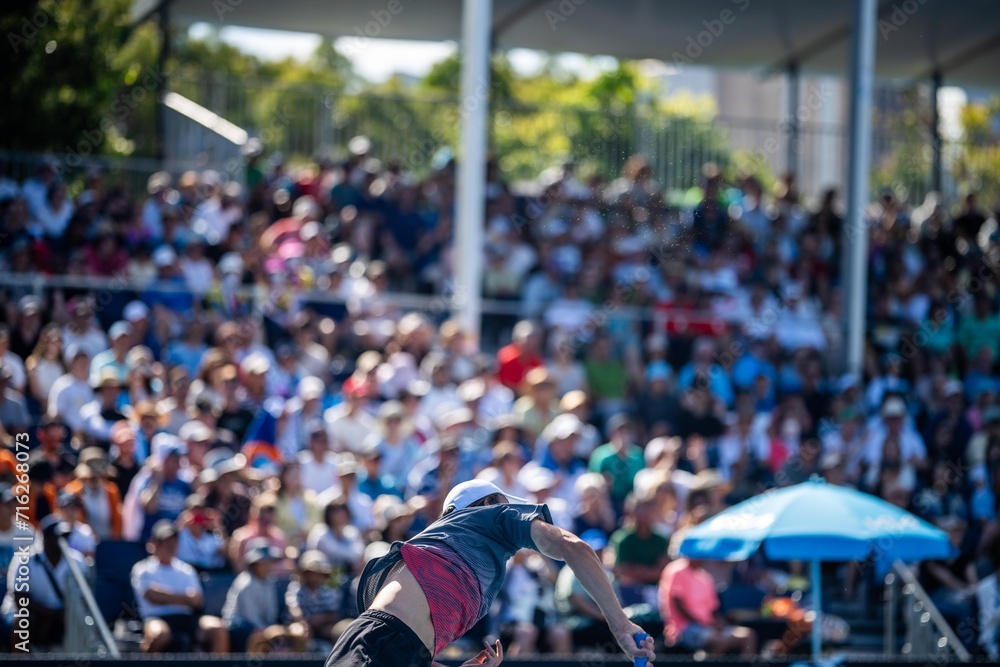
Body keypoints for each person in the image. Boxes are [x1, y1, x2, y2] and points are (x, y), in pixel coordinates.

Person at [324, 479, 655, 667]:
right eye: (502, 503)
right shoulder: (491, 520)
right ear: (487, 505)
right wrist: (621, 624)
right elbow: (575, 548)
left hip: (391, 649)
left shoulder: (460, 554)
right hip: (375, 644)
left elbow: (409, 651)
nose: (509, 509)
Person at [130, 519, 229, 653]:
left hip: (187, 619)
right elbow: (152, 596)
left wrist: (164, 595)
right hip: (156, 618)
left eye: (174, 541)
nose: (171, 546)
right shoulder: (142, 569)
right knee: (160, 635)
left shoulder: (186, 569)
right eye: (166, 542)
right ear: (155, 543)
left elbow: (197, 601)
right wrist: (185, 598)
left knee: (218, 629)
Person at [2, 515, 88, 650]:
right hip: (30, 612)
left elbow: (83, 599)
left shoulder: (78, 562)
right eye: (58, 537)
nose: (62, 542)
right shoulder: (25, 560)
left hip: (62, 614)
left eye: (65, 537)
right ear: (45, 539)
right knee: (24, 620)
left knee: (81, 622)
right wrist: (52, 613)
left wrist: (66, 615)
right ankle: (19, 662)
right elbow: (21, 601)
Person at [658, 556, 757, 656]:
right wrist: (704, 624)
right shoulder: (676, 570)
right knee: (720, 641)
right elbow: (678, 605)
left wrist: (719, 623)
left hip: (708, 627)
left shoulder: (705, 577)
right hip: (683, 629)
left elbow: (713, 609)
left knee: (748, 636)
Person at [223, 538, 308, 653]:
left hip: (262, 625)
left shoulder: (269, 581)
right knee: (261, 635)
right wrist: (269, 630)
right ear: (254, 564)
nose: (268, 566)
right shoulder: (246, 584)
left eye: (269, 562)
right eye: (263, 562)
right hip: (238, 627)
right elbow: (250, 617)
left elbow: (271, 613)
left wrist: (276, 629)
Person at [286, 550, 342, 647]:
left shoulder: (328, 591)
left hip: (322, 626)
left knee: (337, 631)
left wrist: (320, 619)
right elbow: (294, 608)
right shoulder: (295, 588)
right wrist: (303, 623)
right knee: (298, 632)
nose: (314, 576)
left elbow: (333, 613)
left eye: (318, 573)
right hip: (300, 624)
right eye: (311, 572)